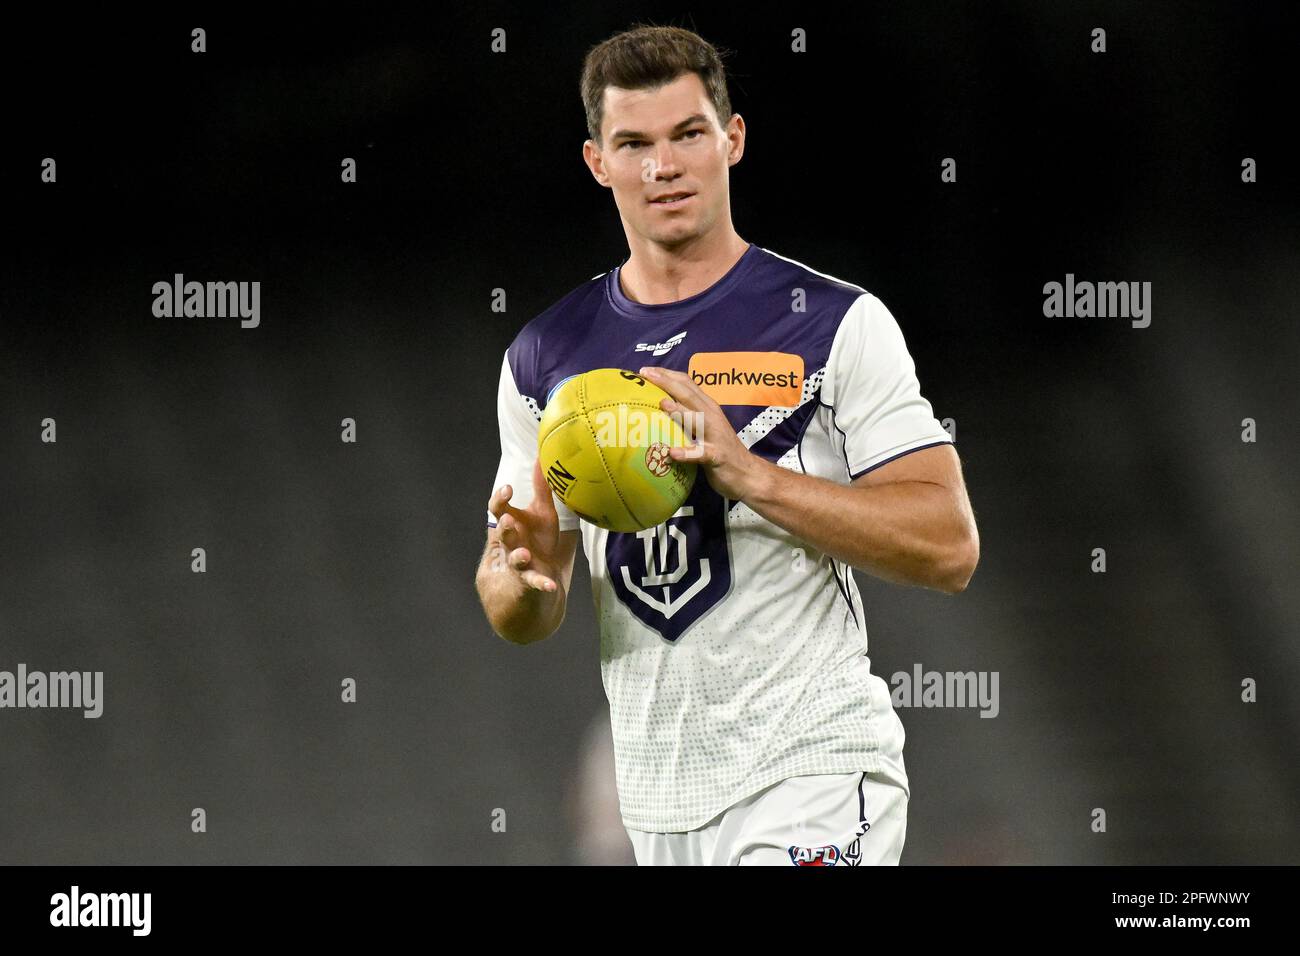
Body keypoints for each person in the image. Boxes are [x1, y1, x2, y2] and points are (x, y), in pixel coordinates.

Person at [474, 24, 979, 866]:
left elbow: (949, 546)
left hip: (810, 766)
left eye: (688, 135)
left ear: (732, 140)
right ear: (598, 161)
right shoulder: (545, 359)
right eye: (633, 143)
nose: (662, 167)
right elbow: (528, 611)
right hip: (659, 803)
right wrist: (516, 577)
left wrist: (749, 476)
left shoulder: (832, 323)